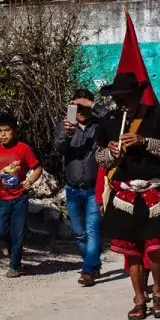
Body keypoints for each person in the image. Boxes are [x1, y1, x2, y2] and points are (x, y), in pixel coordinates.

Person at [95, 74, 160, 320]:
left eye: (125, 98)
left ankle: (157, 292)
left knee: (155, 247)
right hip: (125, 194)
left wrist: (145, 142)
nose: (121, 103)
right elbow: (98, 158)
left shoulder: (159, 118)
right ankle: (139, 297)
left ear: (137, 95)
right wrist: (110, 153)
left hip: (154, 191)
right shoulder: (110, 122)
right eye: (117, 99)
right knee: (131, 250)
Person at [55, 89, 105, 286]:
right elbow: (58, 148)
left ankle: (88, 270)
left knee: (93, 229)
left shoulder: (100, 126)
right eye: (76, 106)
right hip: (73, 188)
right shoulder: (66, 125)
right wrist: (67, 135)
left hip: (94, 188)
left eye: (84, 106)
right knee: (79, 232)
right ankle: (93, 263)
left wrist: (93, 105)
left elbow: (115, 120)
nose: (80, 111)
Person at [0, 113, 42, 278]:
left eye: (7, 130)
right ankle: (8, 245)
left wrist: (30, 180)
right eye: (0, 131)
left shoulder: (24, 149)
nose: (3, 134)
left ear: (15, 131)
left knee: (18, 233)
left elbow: (38, 168)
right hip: (1, 199)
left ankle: (15, 266)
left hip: (20, 198)